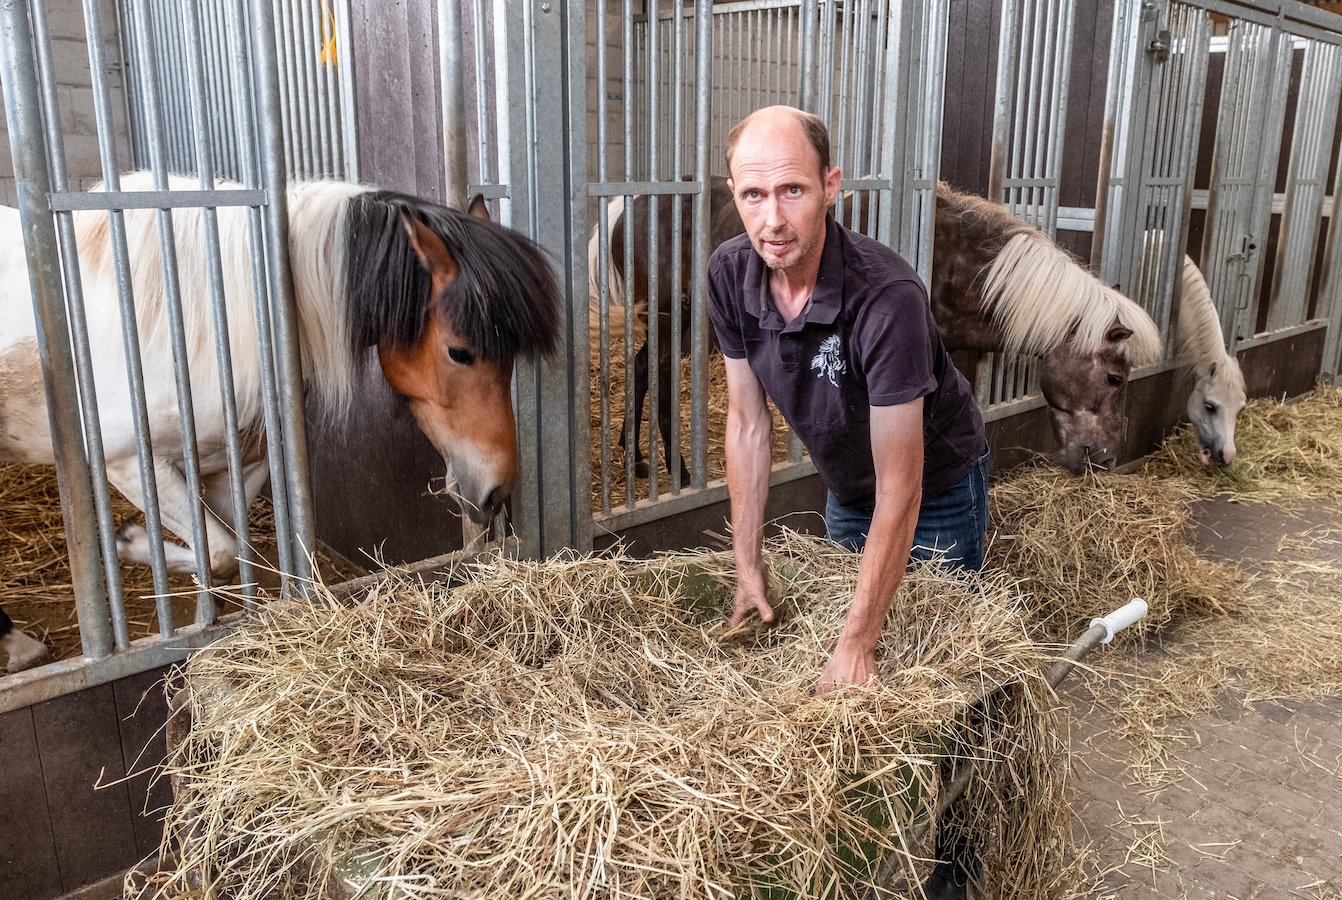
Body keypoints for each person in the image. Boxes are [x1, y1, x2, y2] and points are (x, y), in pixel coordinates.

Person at [706, 106, 988, 900]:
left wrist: (860, 637)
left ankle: (953, 867)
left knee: (939, 672)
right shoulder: (730, 273)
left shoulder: (886, 296)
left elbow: (904, 485)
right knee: (850, 674)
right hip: (851, 489)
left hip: (933, 491)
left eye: (792, 190)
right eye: (754, 194)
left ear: (831, 186)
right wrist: (748, 565)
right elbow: (746, 422)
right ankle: (862, 845)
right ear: (734, 193)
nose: (773, 218)